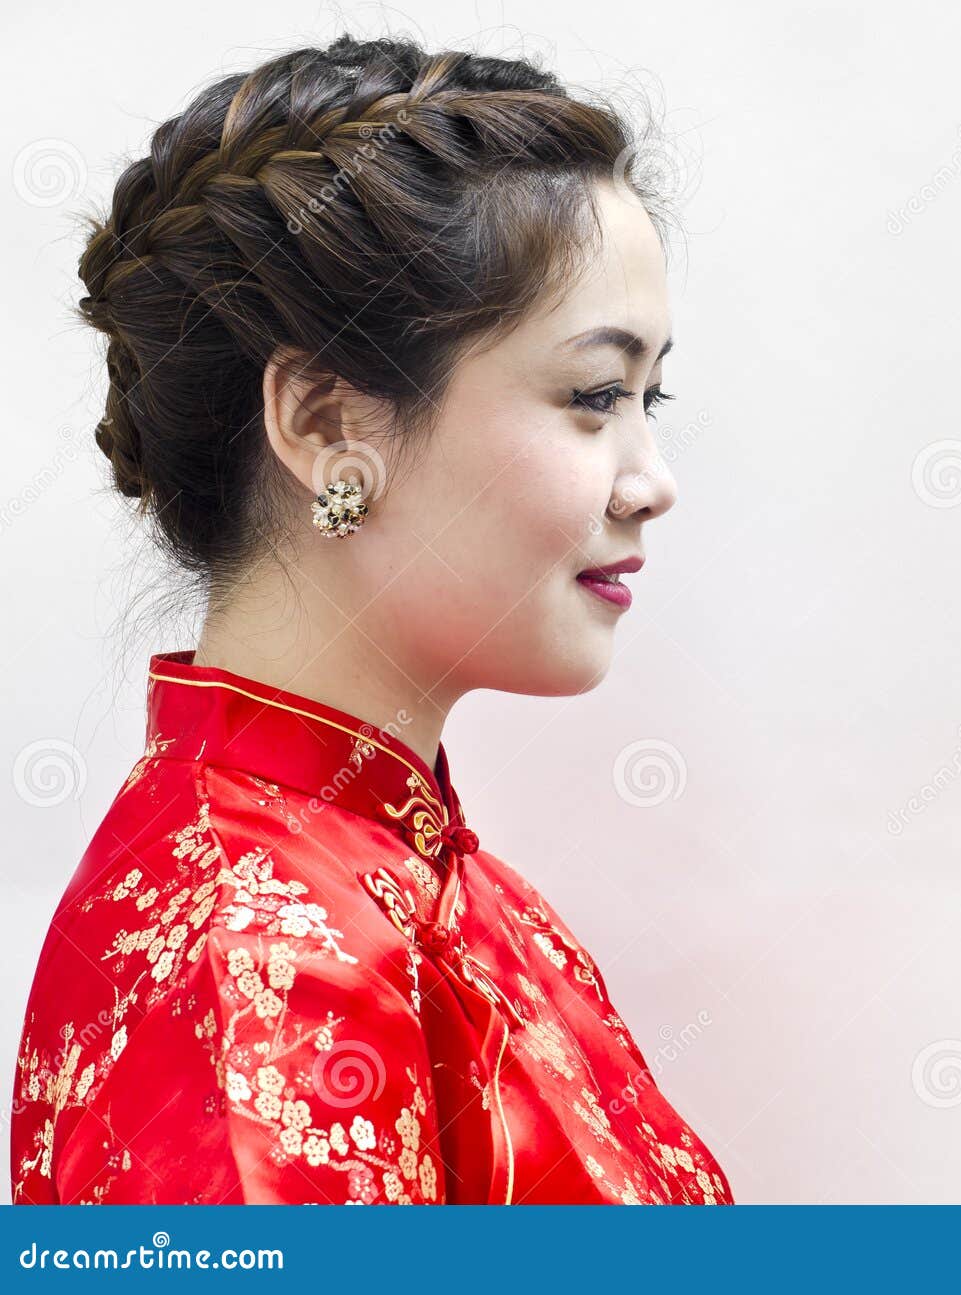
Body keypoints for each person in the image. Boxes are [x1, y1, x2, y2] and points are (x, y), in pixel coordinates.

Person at [10, 32, 731, 1206]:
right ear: (324, 420)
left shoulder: (422, 877)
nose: (651, 479)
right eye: (595, 396)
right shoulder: (253, 952)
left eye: (649, 399)